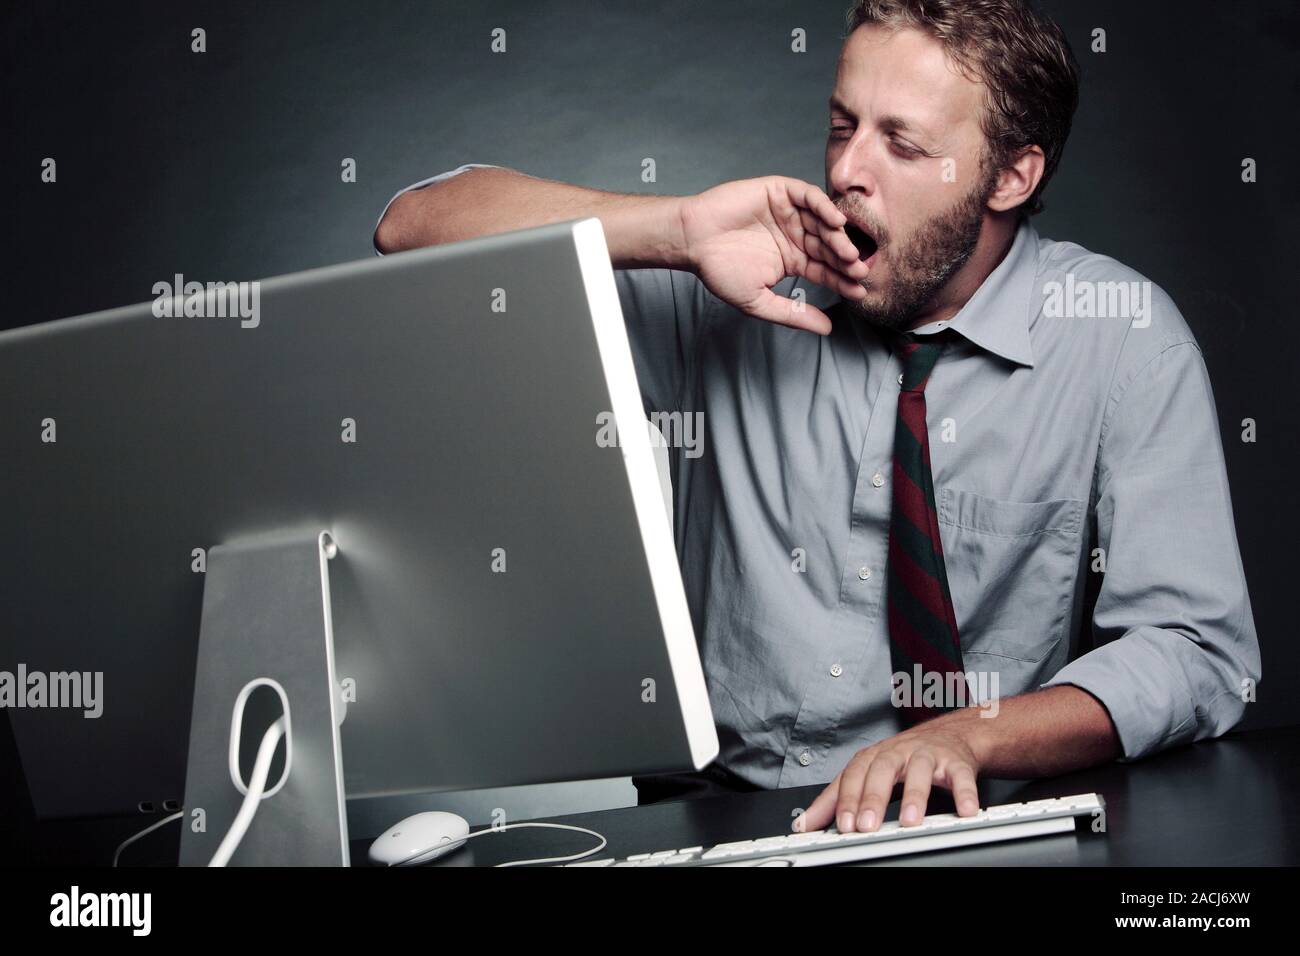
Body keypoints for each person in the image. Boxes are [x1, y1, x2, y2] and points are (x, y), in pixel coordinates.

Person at [373, 0, 1260, 836]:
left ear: (1011, 175)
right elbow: (412, 226)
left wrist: (967, 735)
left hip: (963, 827)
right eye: (843, 125)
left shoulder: (1123, 345)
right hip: (711, 817)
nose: (843, 172)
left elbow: (1194, 651)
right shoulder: (736, 283)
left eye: (901, 145)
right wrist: (673, 230)